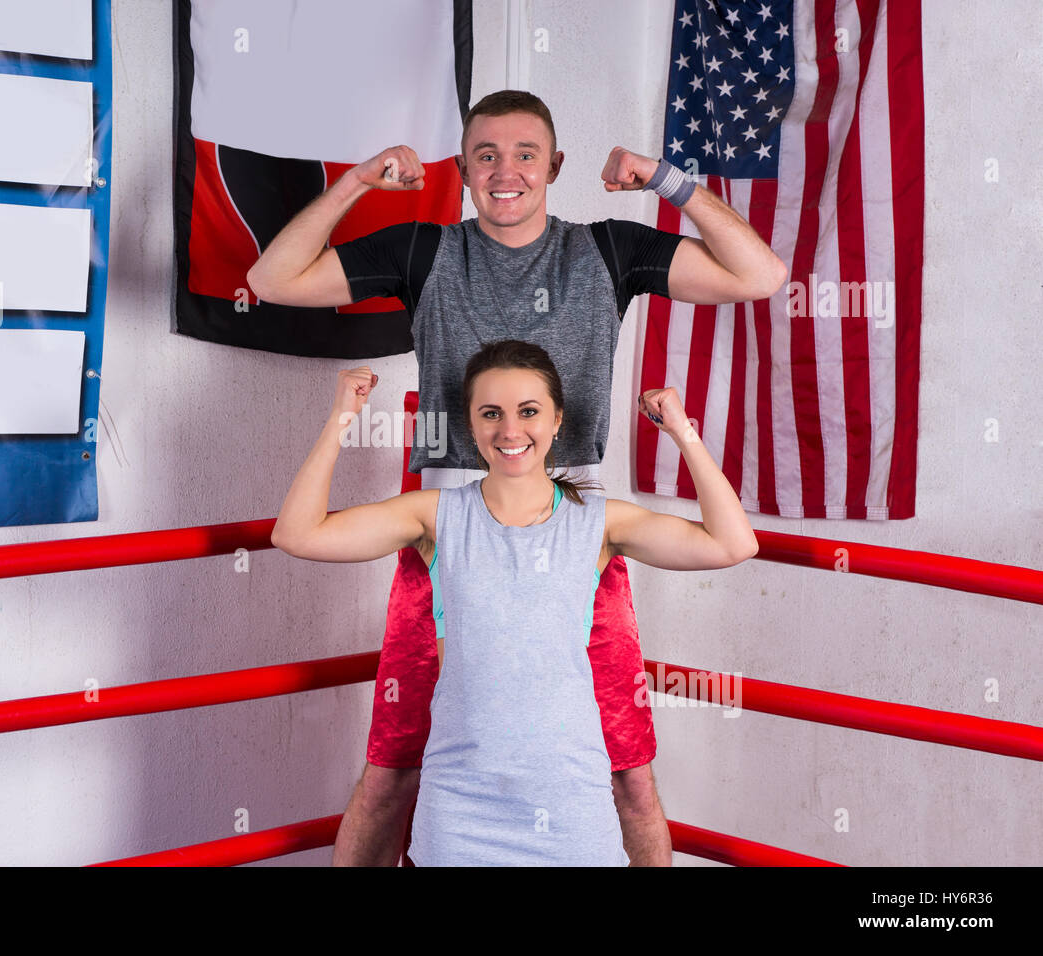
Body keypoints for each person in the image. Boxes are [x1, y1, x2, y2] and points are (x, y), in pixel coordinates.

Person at [248, 89, 785, 866]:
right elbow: (273, 279)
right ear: (463, 169)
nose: (507, 171)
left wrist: (667, 179)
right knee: (394, 773)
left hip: (576, 535)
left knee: (629, 776)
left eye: (525, 153)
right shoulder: (424, 251)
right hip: (445, 535)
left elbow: (761, 273)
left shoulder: (605, 248)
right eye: (486, 155)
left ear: (555, 165)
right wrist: (358, 181)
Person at [270, 340, 758, 865]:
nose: (510, 431)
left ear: (556, 420)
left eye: (528, 412)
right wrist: (341, 418)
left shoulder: (600, 523)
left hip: (571, 800)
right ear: (472, 424)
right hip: (461, 802)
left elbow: (732, 544)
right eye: (491, 414)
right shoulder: (434, 517)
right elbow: (298, 534)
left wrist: (682, 430)